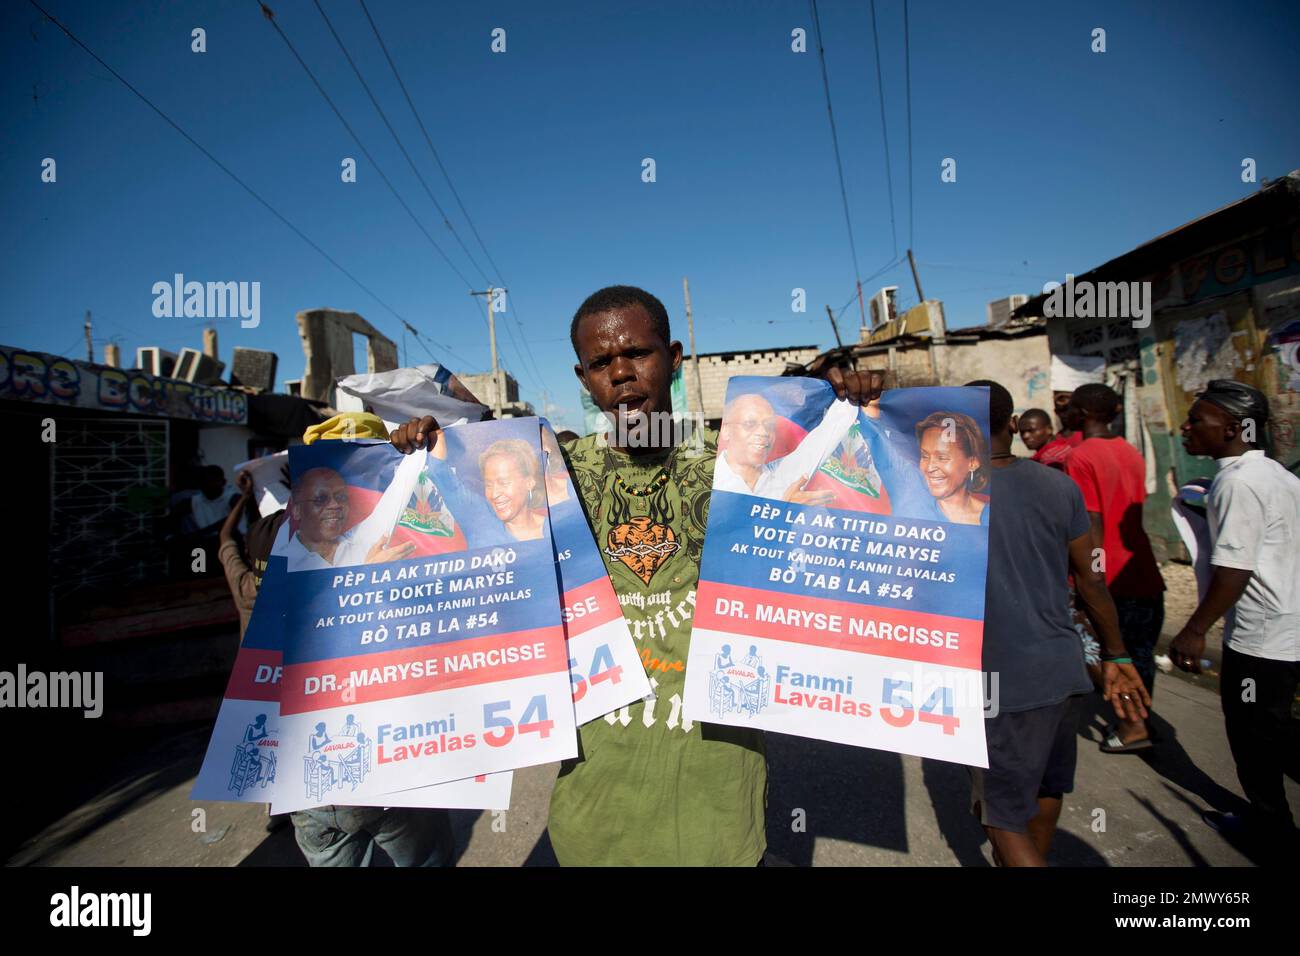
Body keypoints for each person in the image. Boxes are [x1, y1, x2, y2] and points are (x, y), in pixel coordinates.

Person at [391, 284, 879, 866]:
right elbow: (455, 564)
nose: (620, 373)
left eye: (638, 354)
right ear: (583, 377)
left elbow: (839, 560)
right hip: (595, 818)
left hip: (719, 810)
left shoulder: (738, 477)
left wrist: (864, 419)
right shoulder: (554, 486)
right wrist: (421, 464)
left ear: (673, 357)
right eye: (601, 362)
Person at [964, 380, 1149, 866]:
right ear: (1011, 424)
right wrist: (1116, 653)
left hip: (997, 679)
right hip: (1063, 669)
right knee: (1046, 787)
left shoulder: (948, 495)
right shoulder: (1059, 484)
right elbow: (1092, 581)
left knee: (1001, 817)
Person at [1169, 380, 1300, 854]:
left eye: (1196, 420)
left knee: (1255, 740)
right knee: (1277, 728)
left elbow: (1234, 568)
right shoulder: (1276, 475)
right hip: (1289, 627)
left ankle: (1274, 833)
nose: (1186, 428)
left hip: (1261, 637)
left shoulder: (1239, 482)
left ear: (1229, 427)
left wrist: (1193, 629)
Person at [1064, 383, 1165, 754]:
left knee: (1109, 652)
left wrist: (1090, 577)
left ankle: (1132, 724)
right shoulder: (1129, 451)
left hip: (1110, 576)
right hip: (1143, 568)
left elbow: (1091, 522)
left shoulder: (1080, 456)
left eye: (1072, 407)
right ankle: (1141, 718)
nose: (1067, 413)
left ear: (1085, 414)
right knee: (1139, 652)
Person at [714, 391, 857, 505]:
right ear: (726, 430)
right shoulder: (705, 484)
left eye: (769, 426)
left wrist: (851, 396)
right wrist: (783, 513)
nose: (763, 433)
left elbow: (827, 434)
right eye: (749, 424)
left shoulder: (783, 475)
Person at [914, 411, 989, 525]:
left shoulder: (990, 518)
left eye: (942, 458)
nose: (929, 467)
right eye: (924, 456)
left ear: (973, 463)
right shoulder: (912, 509)